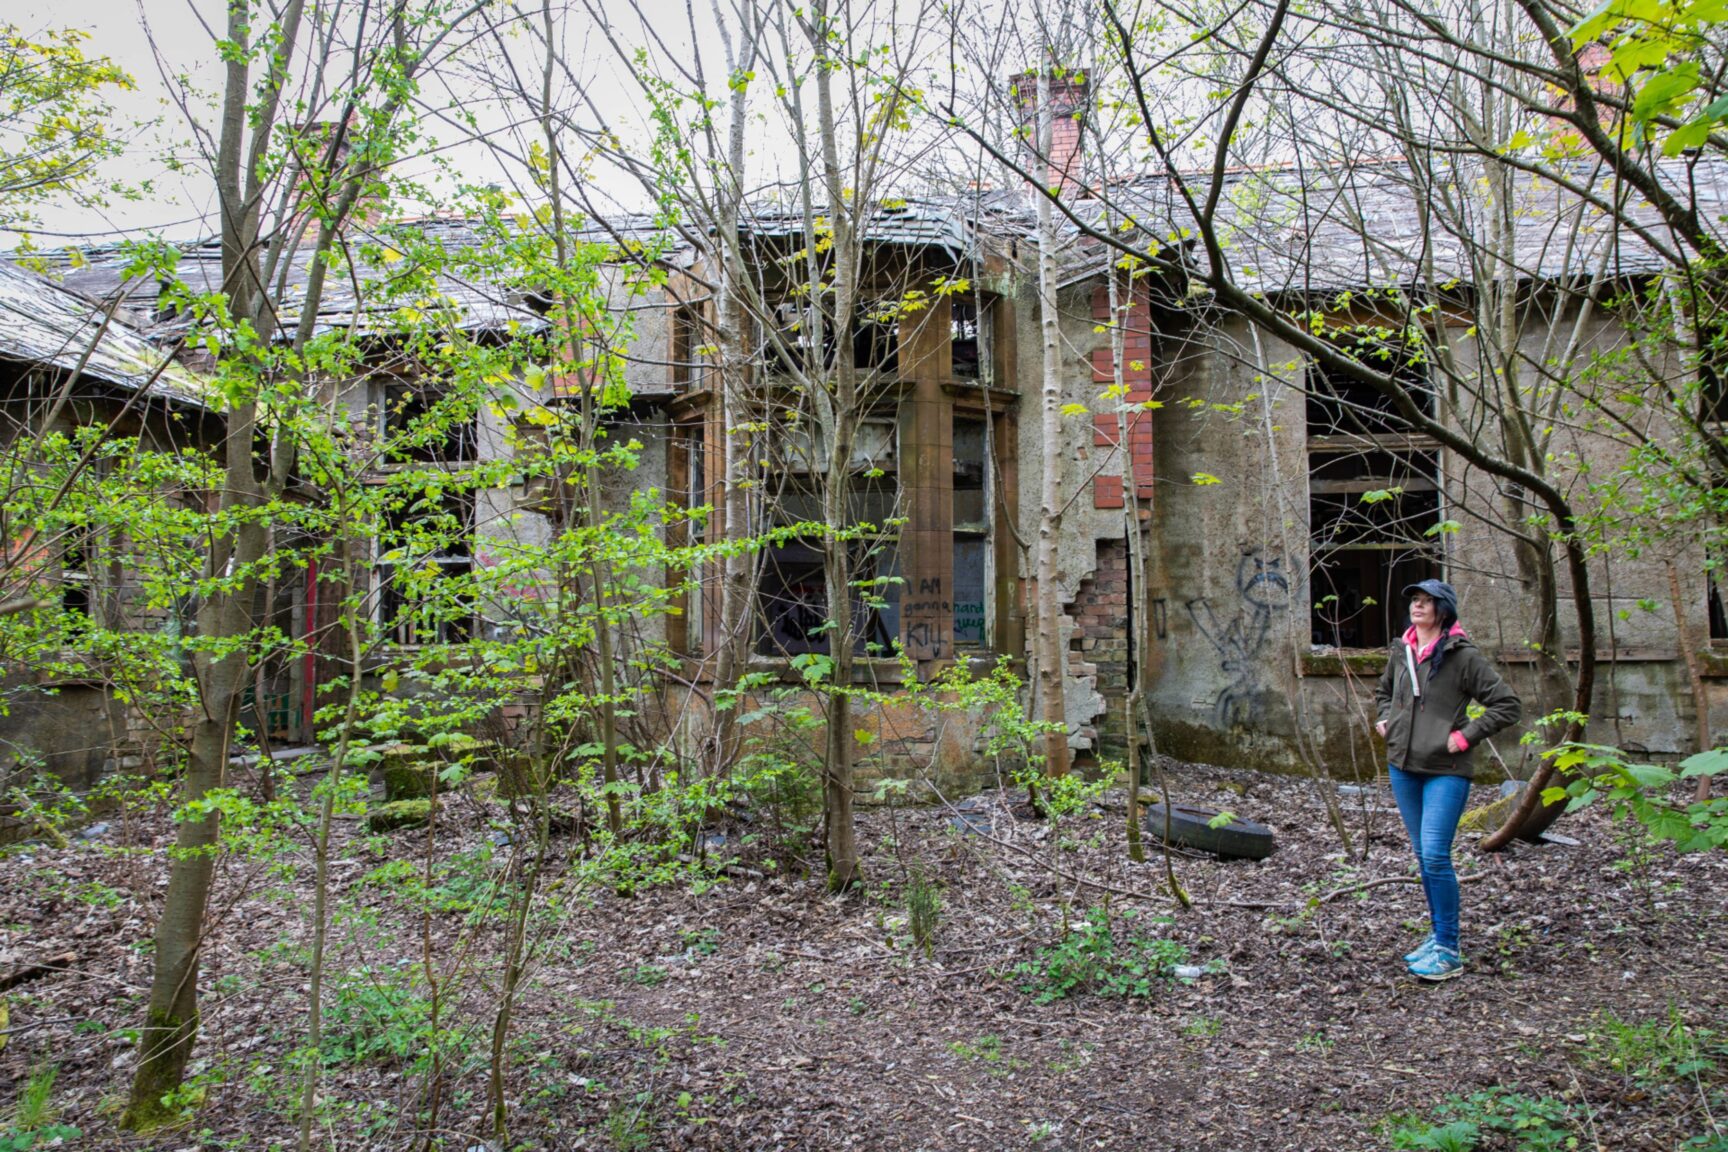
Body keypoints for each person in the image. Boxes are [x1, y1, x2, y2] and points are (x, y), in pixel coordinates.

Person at [1374, 579, 1521, 982]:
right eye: (1415, 600)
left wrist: (1466, 736)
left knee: (1436, 854)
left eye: (1428, 601)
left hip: (1446, 770)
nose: (1418, 606)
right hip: (1402, 767)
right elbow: (1383, 692)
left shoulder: (1462, 656)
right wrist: (1385, 719)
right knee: (1424, 855)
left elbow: (1507, 705)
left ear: (1444, 610)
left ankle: (1448, 950)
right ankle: (1437, 936)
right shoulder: (1402, 651)